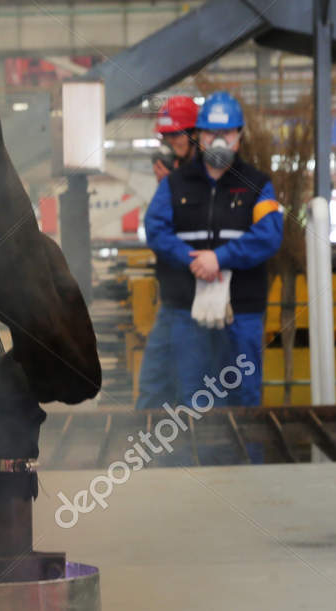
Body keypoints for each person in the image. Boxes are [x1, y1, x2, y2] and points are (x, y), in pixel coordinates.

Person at [143, 90, 283, 409]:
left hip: (242, 311)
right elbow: (156, 229)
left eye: (226, 133)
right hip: (187, 310)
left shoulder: (259, 185)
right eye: (210, 133)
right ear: (199, 136)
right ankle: (197, 445)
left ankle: (245, 445)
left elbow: (269, 235)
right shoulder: (174, 184)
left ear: (239, 137)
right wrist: (192, 260)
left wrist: (219, 258)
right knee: (192, 398)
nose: (218, 140)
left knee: (244, 396)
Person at [135, 96, 199, 410]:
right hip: (172, 301)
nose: (170, 143)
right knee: (152, 386)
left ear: (195, 134)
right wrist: (167, 186)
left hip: (199, 304)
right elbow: (157, 229)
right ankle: (144, 440)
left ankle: (192, 442)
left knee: (190, 391)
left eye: (176, 135)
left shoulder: (208, 179)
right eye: (165, 137)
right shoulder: (172, 182)